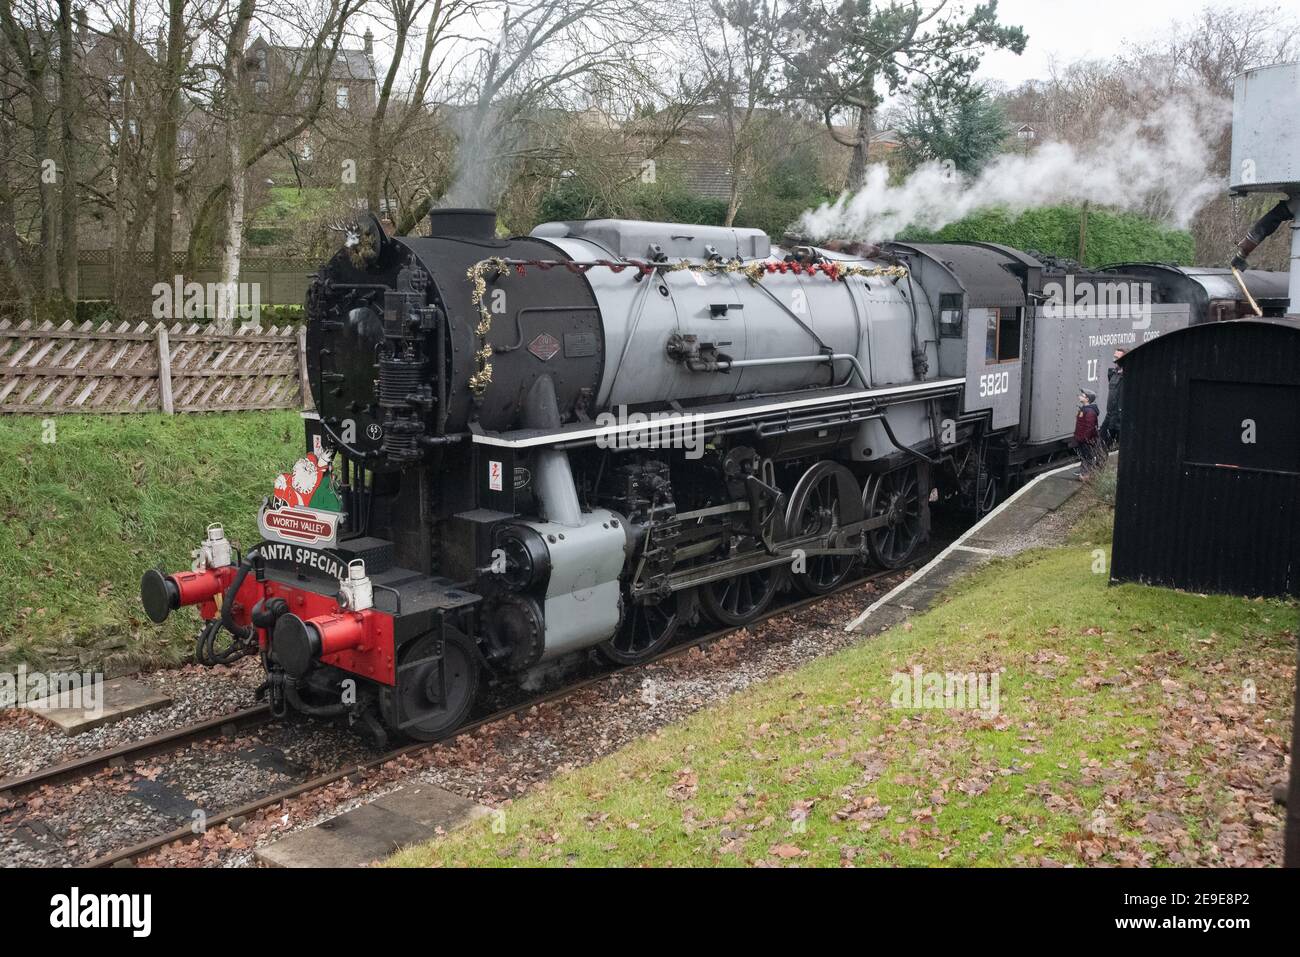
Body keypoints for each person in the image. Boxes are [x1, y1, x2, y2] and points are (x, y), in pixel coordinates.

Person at [1072, 389, 1101, 478]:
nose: (1079, 396)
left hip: (1086, 440)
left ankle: (1086, 474)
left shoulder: (1090, 412)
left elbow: (1090, 428)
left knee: (1088, 456)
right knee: (1084, 456)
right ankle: (1084, 470)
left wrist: (1084, 438)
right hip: (1081, 438)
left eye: (1082, 396)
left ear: (1087, 399)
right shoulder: (1084, 409)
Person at [1101, 348, 1126, 448]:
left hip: (1122, 419)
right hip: (1110, 416)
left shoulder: (1131, 375)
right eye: (1114, 356)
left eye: (1117, 357)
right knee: (1101, 443)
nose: (1114, 359)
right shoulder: (1113, 374)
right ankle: (1100, 463)